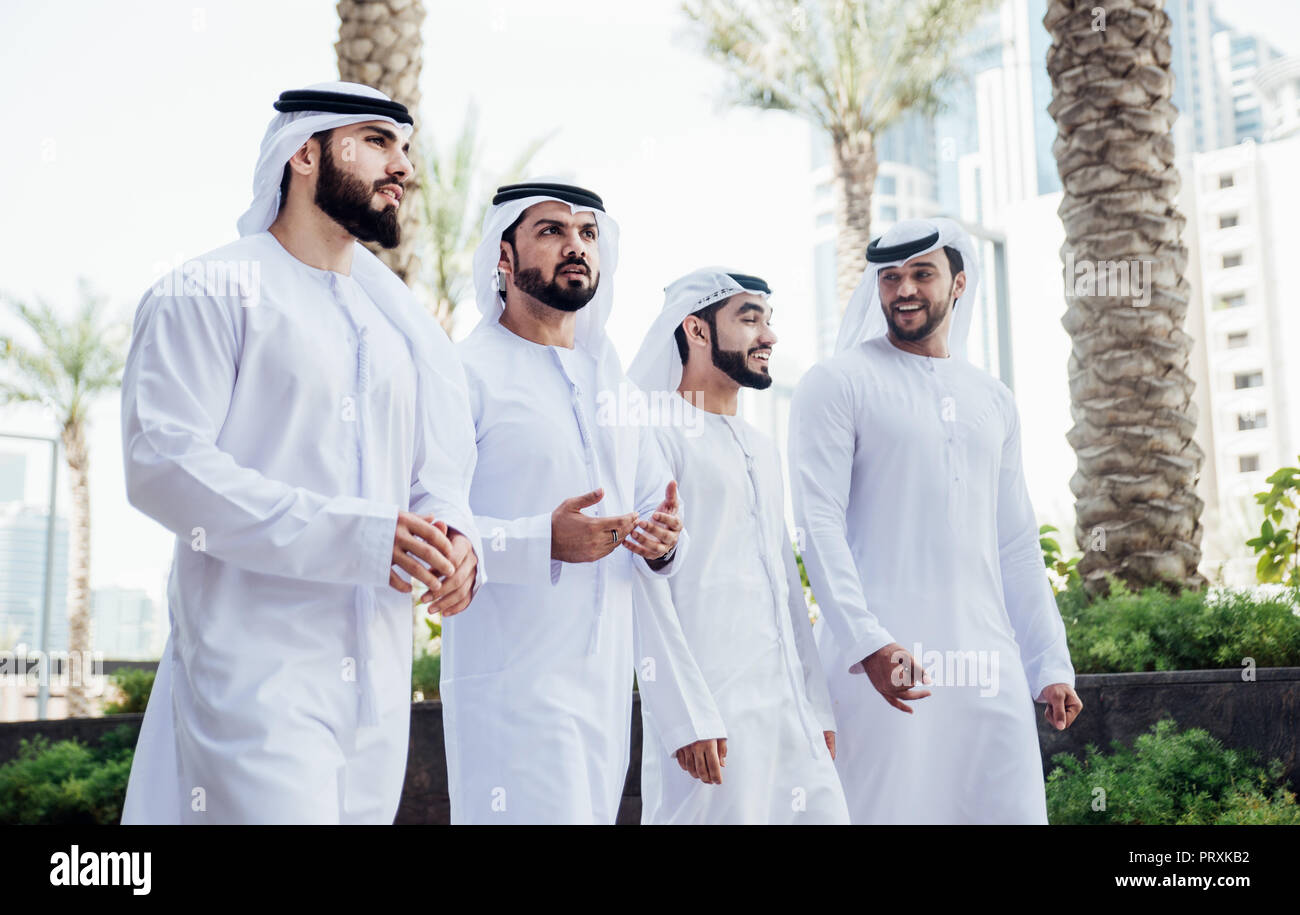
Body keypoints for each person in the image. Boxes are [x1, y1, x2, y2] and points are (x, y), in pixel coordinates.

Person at [120, 82, 482, 824]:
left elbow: (430, 478)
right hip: (257, 673)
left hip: (378, 691)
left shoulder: (395, 337)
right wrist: (356, 535)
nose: (403, 168)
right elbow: (163, 463)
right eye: (378, 142)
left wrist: (454, 538)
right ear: (306, 152)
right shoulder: (210, 291)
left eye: (406, 149)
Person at [441, 181, 725, 824]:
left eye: (588, 235)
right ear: (504, 258)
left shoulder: (614, 387)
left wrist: (664, 542)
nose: (576, 246)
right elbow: (433, 524)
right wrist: (544, 540)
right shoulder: (462, 372)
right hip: (509, 687)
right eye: (551, 231)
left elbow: (661, 514)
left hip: (602, 691)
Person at [789, 217, 1082, 824]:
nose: (904, 290)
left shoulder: (993, 399)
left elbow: (1016, 545)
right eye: (890, 277)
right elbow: (818, 525)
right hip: (882, 668)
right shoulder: (838, 383)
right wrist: (868, 641)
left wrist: (1048, 662)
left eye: (922, 273)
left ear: (959, 283)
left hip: (987, 666)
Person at [626, 267, 849, 824]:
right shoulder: (652, 432)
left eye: (768, 320)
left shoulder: (761, 446)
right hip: (712, 719)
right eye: (749, 319)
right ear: (697, 331)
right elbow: (643, 591)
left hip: (789, 712)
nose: (768, 335)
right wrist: (686, 717)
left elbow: (786, 586)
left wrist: (815, 705)